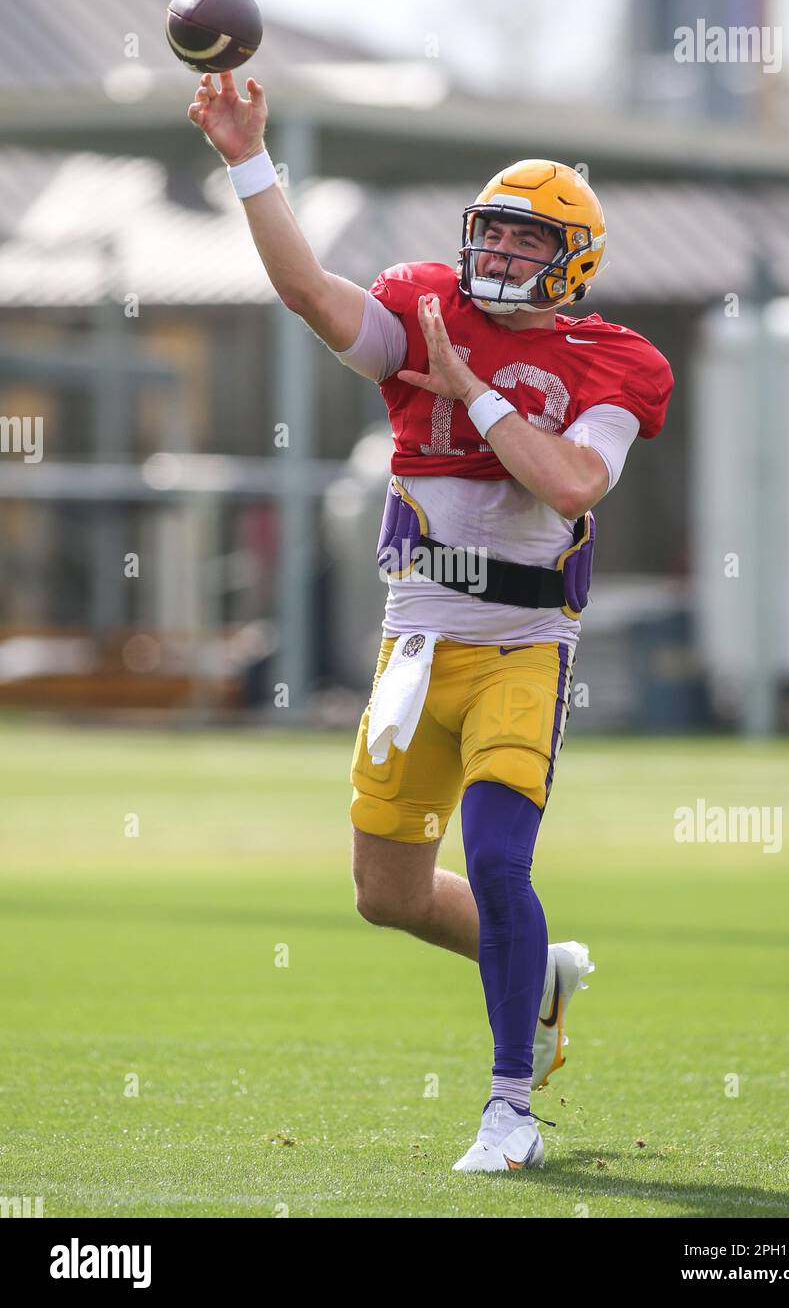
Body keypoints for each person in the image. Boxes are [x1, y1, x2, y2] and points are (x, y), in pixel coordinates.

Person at [189, 70, 674, 1172]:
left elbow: (571, 485)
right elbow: (313, 294)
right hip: (416, 642)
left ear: (572, 263)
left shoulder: (615, 362)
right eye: (489, 239)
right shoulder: (424, 308)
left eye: (521, 245)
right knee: (386, 894)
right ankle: (536, 967)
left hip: (521, 646)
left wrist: (474, 389)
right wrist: (247, 160)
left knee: (499, 862)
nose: (495, 260)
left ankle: (511, 1109)